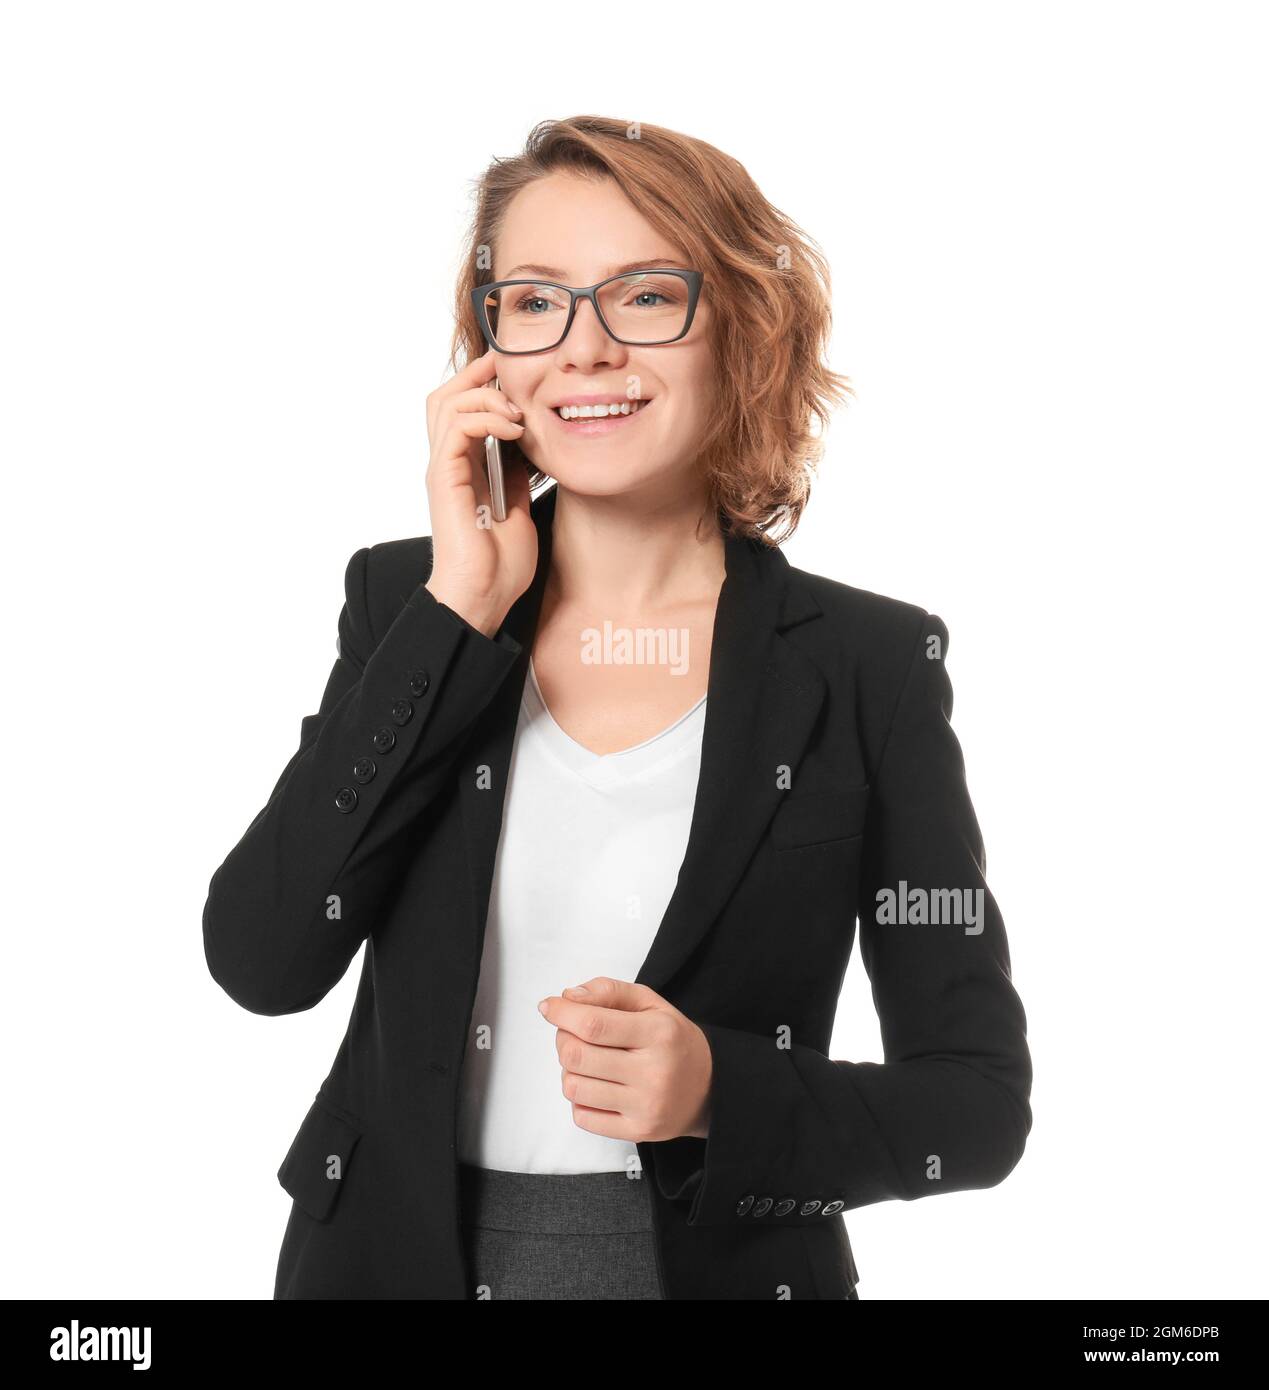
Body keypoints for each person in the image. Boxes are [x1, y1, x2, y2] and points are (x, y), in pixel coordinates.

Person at [202, 115, 1032, 1301]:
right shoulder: (408, 603)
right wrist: (457, 612)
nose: (582, 350)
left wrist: (718, 1093)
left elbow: (977, 1102)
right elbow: (263, 955)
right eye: (535, 302)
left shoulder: (869, 667)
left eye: (644, 297)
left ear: (742, 333)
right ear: (489, 353)